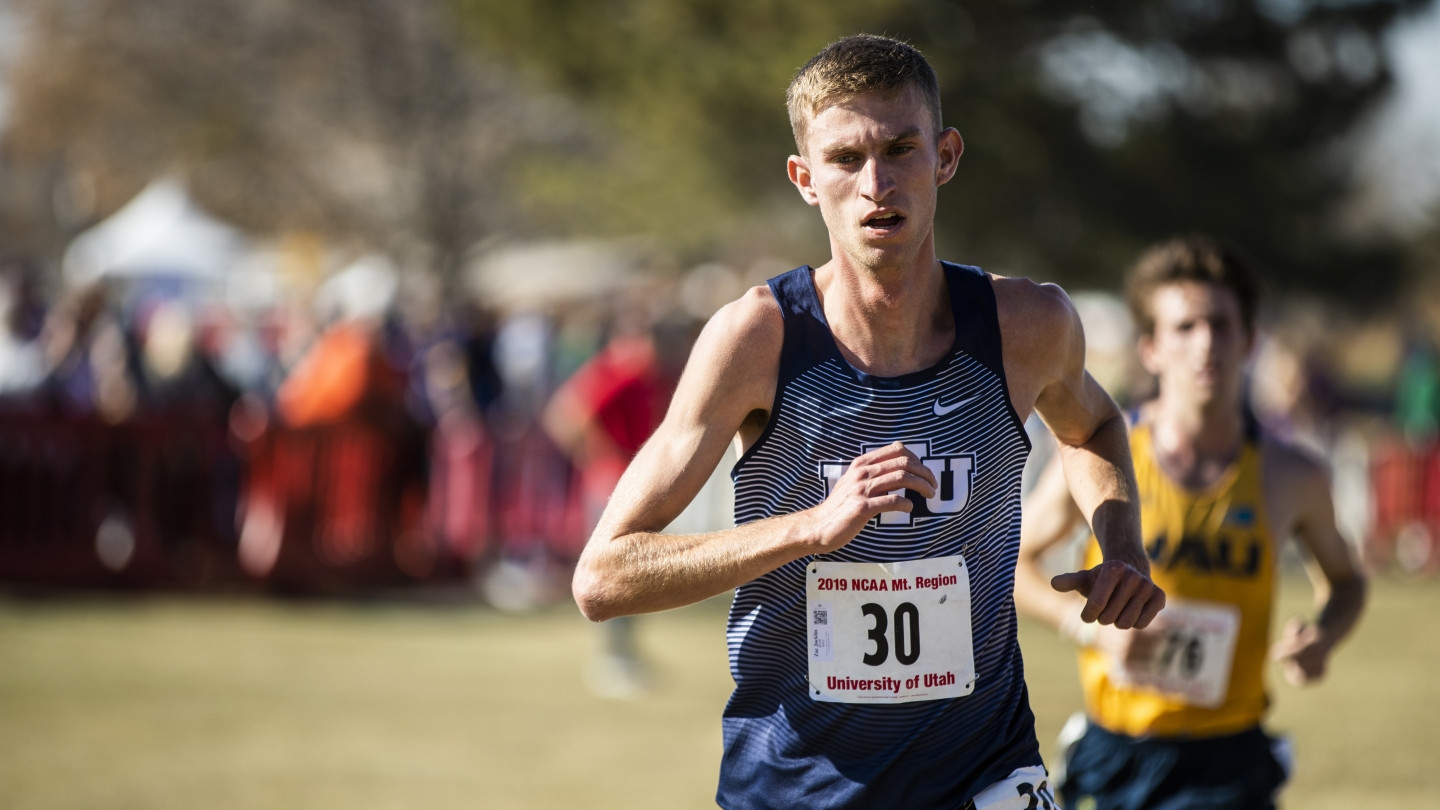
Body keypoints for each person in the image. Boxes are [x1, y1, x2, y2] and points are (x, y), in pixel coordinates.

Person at [571, 34, 1163, 808]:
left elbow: (1093, 428)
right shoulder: (759, 339)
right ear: (804, 179)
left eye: (900, 148)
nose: (876, 184)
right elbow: (603, 576)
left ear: (945, 156)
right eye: (845, 159)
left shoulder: (1027, 325)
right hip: (798, 784)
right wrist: (811, 528)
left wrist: (1122, 543)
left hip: (985, 774)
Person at [1013, 236, 1368, 810]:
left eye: (1221, 326)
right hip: (1117, 749)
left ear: (1249, 341)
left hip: (1230, 758)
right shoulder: (1099, 458)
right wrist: (1086, 629)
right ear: (1150, 348)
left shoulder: (1292, 475)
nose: (1205, 345)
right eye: (1185, 328)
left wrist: (1323, 636)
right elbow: (1016, 564)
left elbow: (1347, 581)